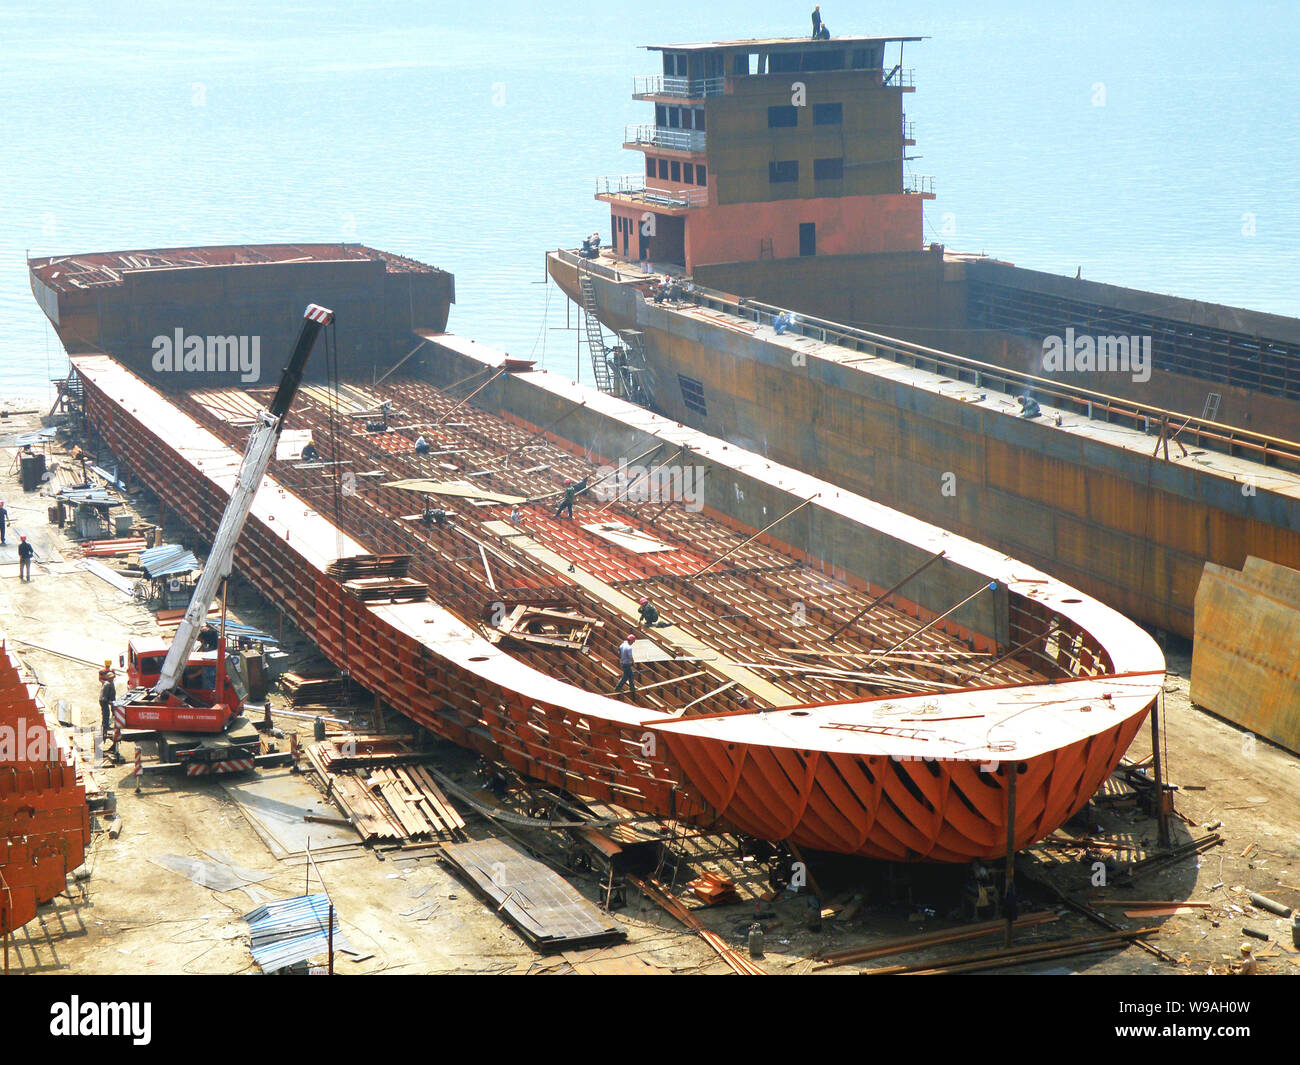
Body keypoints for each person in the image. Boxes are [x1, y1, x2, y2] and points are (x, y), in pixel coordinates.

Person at [98, 661, 116, 744]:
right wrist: (110, 702)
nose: (113, 679)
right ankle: (105, 727)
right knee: (106, 714)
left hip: (105, 700)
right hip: (104, 701)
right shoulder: (108, 684)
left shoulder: (108, 683)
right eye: (112, 678)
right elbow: (107, 695)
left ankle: (105, 725)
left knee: (106, 713)